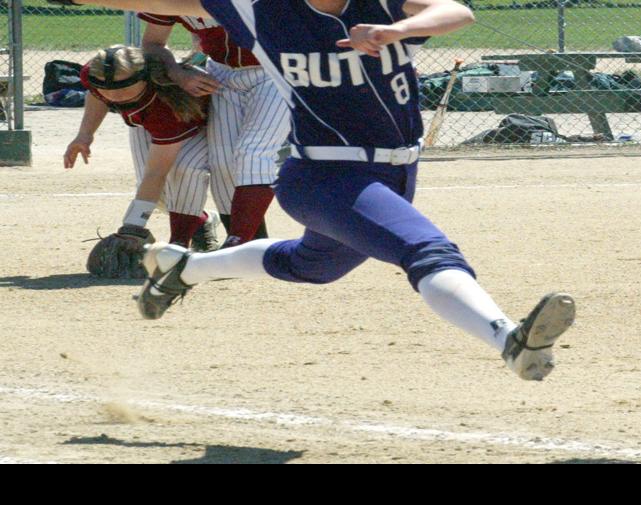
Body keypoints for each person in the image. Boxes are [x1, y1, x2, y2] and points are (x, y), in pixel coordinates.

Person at [49, 0, 575, 383]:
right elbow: (157, 4)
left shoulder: (384, 5)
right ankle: (509, 340)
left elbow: (458, 11)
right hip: (324, 176)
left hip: (395, 172)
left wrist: (399, 30)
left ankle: (184, 267)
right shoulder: (262, 11)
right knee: (427, 251)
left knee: (312, 266)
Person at [137, 10, 290, 247]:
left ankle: (236, 244)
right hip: (220, 74)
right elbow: (152, 44)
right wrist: (177, 73)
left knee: (253, 152)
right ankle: (253, 243)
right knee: (223, 163)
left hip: (276, 71)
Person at [64, 44, 215, 278]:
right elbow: (97, 94)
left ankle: (179, 247)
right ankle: (201, 220)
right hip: (146, 121)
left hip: (192, 121)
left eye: (123, 90)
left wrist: (133, 227)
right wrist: (85, 134)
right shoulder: (98, 75)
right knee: (156, 195)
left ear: (145, 78)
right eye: (108, 89)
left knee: (184, 172)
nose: (114, 97)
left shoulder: (166, 107)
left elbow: (156, 172)